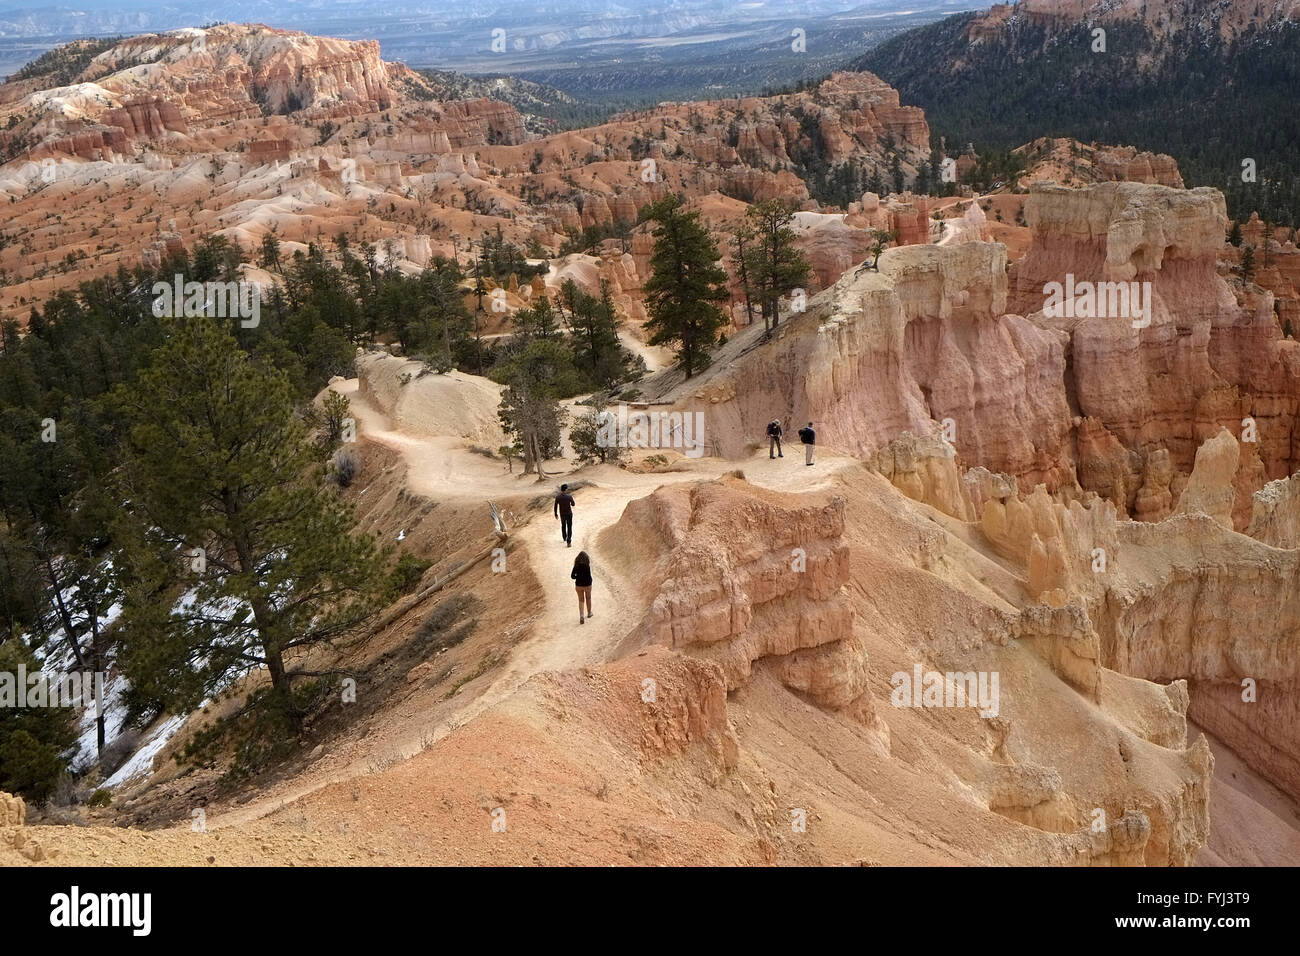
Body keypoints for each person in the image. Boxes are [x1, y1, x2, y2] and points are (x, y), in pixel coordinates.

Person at [571, 550, 594, 624]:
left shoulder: (576, 566)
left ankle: (581, 616)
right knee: (588, 598)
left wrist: (578, 577)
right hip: (587, 585)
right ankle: (589, 613)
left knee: (581, 600)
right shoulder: (587, 566)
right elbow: (589, 576)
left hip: (579, 585)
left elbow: (572, 576)